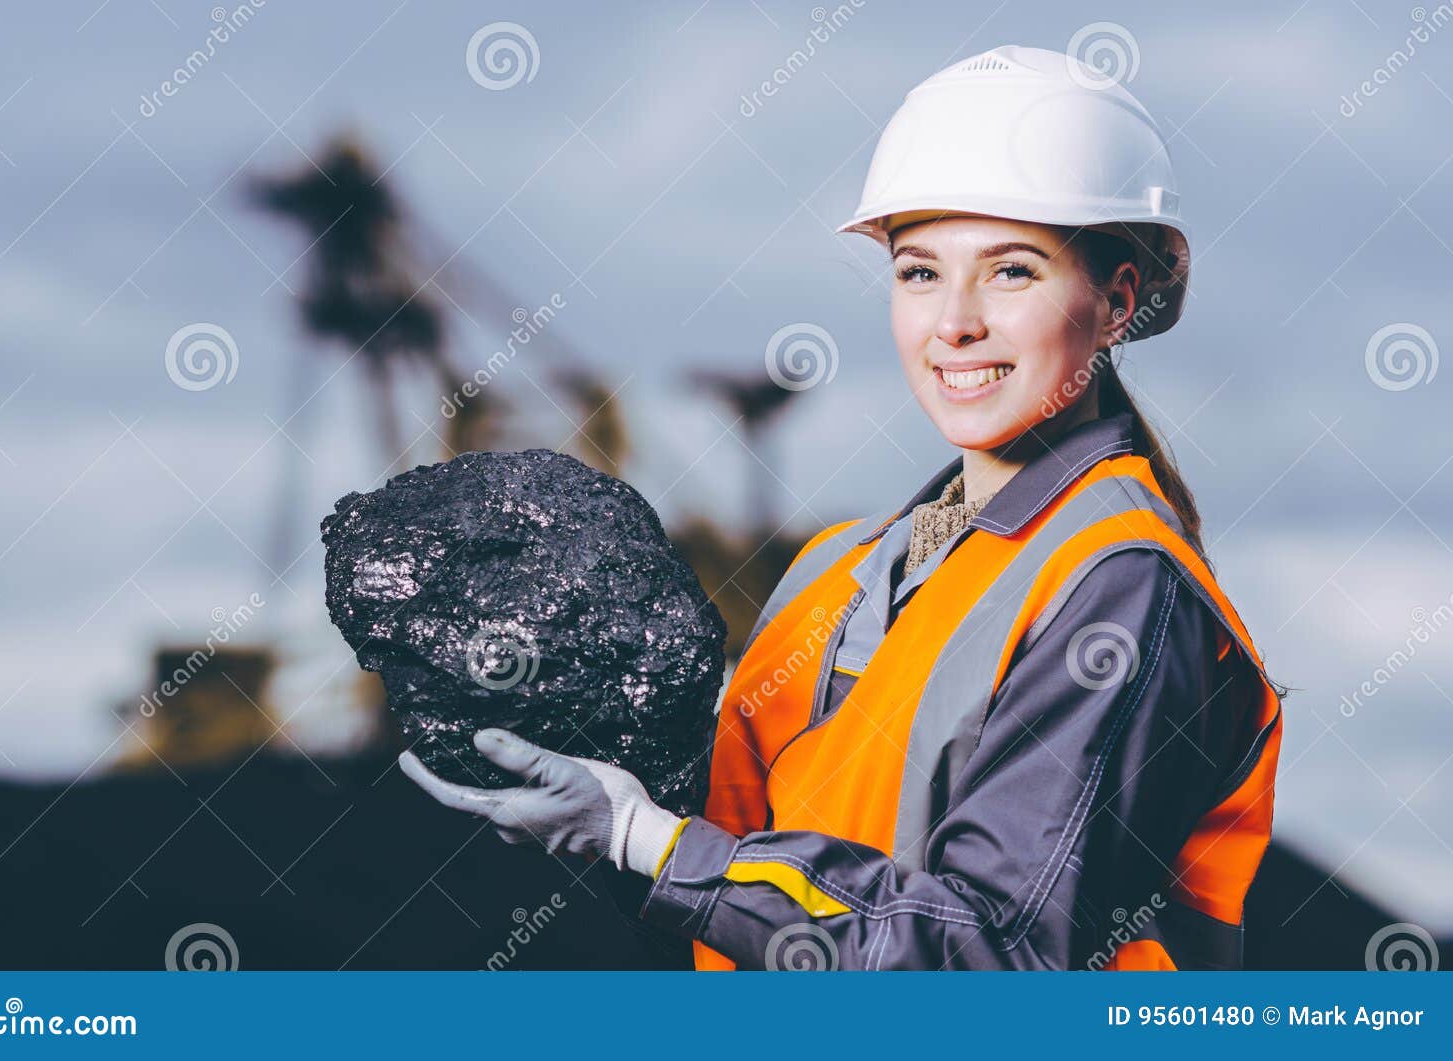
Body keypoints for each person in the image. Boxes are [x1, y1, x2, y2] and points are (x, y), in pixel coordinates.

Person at [399, 44, 1288, 971]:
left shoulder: (1119, 581)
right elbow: (739, 879)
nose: (956, 322)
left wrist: (645, 839)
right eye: (919, 272)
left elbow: (997, 956)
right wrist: (596, 791)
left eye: (1013, 271)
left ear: (1115, 303)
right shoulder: (837, 567)